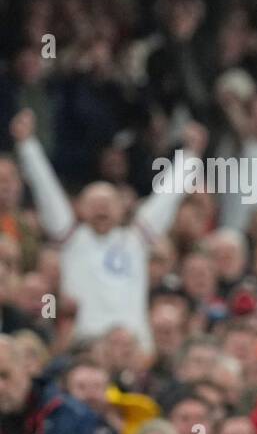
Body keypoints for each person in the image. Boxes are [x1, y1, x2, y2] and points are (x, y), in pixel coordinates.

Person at [9, 109, 194, 348]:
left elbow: (167, 198)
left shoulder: (135, 241)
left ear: (121, 209)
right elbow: (47, 190)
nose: (101, 210)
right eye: (94, 205)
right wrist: (27, 144)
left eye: (108, 204)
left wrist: (190, 156)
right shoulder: (72, 240)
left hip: (133, 345)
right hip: (85, 345)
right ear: (80, 209)